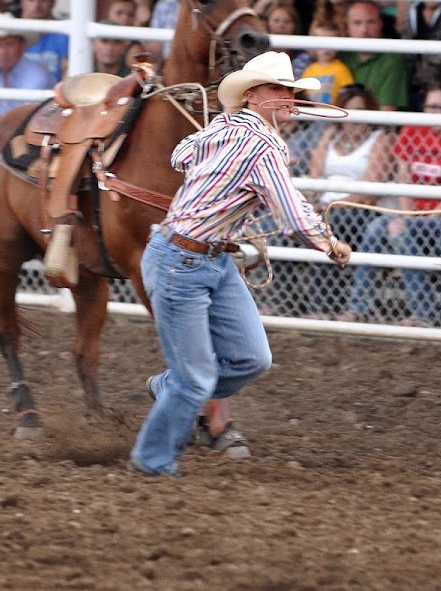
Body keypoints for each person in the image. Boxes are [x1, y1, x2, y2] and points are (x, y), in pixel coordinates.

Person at [131, 51, 352, 477]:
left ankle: (170, 389)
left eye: (290, 90)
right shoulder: (266, 145)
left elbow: (180, 155)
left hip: (202, 259)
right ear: (252, 96)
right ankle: (152, 462)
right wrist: (327, 241)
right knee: (197, 378)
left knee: (251, 358)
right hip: (184, 261)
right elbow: (288, 209)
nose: (287, 97)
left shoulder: (222, 126)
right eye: (278, 89)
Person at [339, 83, 441, 327]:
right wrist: (406, 216)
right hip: (411, 213)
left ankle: (423, 313)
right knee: (378, 229)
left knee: (397, 232)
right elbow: (404, 180)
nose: (439, 113)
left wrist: (413, 221)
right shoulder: (412, 130)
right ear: (424, 108)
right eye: (433, 107)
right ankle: (359, 307)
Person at [304, 83, 391, 318]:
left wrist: (332, 205)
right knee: (290, 224)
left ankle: (324, 307)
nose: (353, 118)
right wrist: (312, 202)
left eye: (360, 111)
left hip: (359, 208)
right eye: (348, 111)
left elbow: (371, 190)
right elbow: (315, 176)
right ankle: (285, 303)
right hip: (324, 206)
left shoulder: (379, 139)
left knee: (329, 225)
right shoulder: (330, 135)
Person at [0, 14, 54, 133]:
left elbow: (27, 123)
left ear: (22, 46)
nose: (3, 52)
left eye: (9, 44)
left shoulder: (37, 78)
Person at [338, 1, 409, 111]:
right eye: (357, 23)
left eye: (371, 22)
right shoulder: (339, 55)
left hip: (374, 126)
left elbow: (386, 113)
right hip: (338, 123)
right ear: (347, 27)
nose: (364, 30)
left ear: (381, 24)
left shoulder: (393, 60)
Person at [299, 22, 354, 105]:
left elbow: (348, 95)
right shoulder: (309, 70)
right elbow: (302, 94)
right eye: (321, 43)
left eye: (331, 43)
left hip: (333, 114)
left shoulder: (341, 69)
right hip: (311, 114)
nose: (326, 48)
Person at [20, 0, 69, 82]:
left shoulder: (65, 33)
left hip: (52, 92)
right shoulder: (9, 31)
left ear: (53, 2)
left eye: (43, 0)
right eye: (30, 0)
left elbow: (68, 74)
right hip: (15, 92)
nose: (37, 6)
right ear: (21, 2)